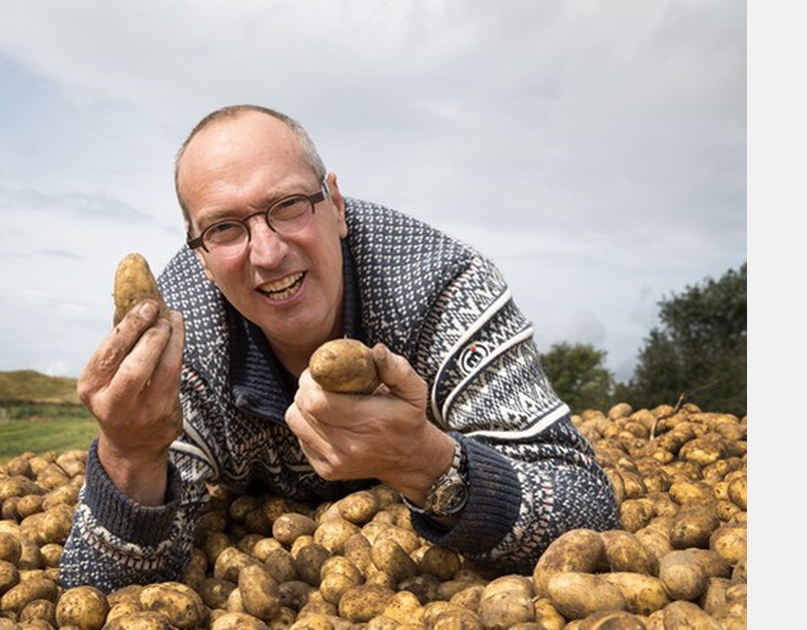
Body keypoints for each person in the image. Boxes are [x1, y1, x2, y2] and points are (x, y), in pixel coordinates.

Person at [60, 104, 619, 592]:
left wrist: (429, 464)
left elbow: (589, 511)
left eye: (288, 205)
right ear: (200, 257)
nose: (267, 254)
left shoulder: (443, 287)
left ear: (336, 205)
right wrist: (131, 457)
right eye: (224, 228)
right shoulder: (184, 343)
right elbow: (96, 589)